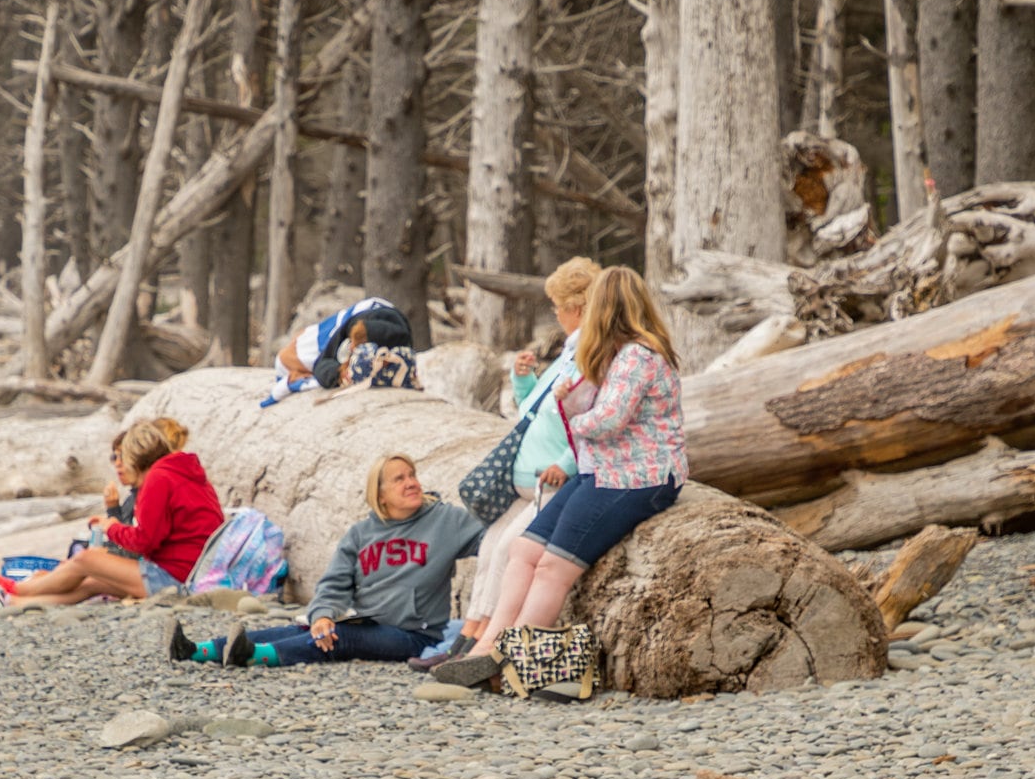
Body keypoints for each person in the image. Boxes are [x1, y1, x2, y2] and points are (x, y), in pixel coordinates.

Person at [434, 267, 686, 695]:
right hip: (600, 471)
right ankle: (488, 647)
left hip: (637, 478)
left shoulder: (639, 356)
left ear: (606, 308)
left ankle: (519, 659)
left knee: (554, 567)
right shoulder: (608, 354)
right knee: (525, 548)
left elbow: (610, 419)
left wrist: (568, 412)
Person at [411, 258, 597, 672]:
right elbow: (539, 412)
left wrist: (567, 462)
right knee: (491, 548)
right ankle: (467, 637)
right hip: (527, 481)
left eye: (557, 305)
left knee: (512, 550)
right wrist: (523, 381)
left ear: (577, 308)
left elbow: (585, 418)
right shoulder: (569, 353)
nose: (555, 313)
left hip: (550, 480)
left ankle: (488, 643)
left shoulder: (589, 353)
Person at [172, 453, 482, 667]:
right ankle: (200, 650)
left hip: (416, 634)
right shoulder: (361, 534)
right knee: (307, 631)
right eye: (399, 479)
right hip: (370, 622)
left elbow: (492, 542)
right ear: (380, 494)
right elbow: (334, 584)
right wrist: (321, 615)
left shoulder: (446, 521)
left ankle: (255, 656)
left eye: (412, 475)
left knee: (340, 637)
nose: (412, 482)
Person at [0, 419, 220, 605]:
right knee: (93, 583)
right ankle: (13, 603)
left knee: (85, 559)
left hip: (175, 577)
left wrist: (111, 527)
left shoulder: (158, 478)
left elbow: (145, 541)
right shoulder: (183, 471)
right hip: (193, 572)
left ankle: (17, 587)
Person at [262, 296, 412, 405]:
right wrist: (339, 374)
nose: (351, 348)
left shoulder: (398, 340)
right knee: (286, 359)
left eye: (355, 345)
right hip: (322, 337)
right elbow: (322, 362)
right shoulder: (351, 324)